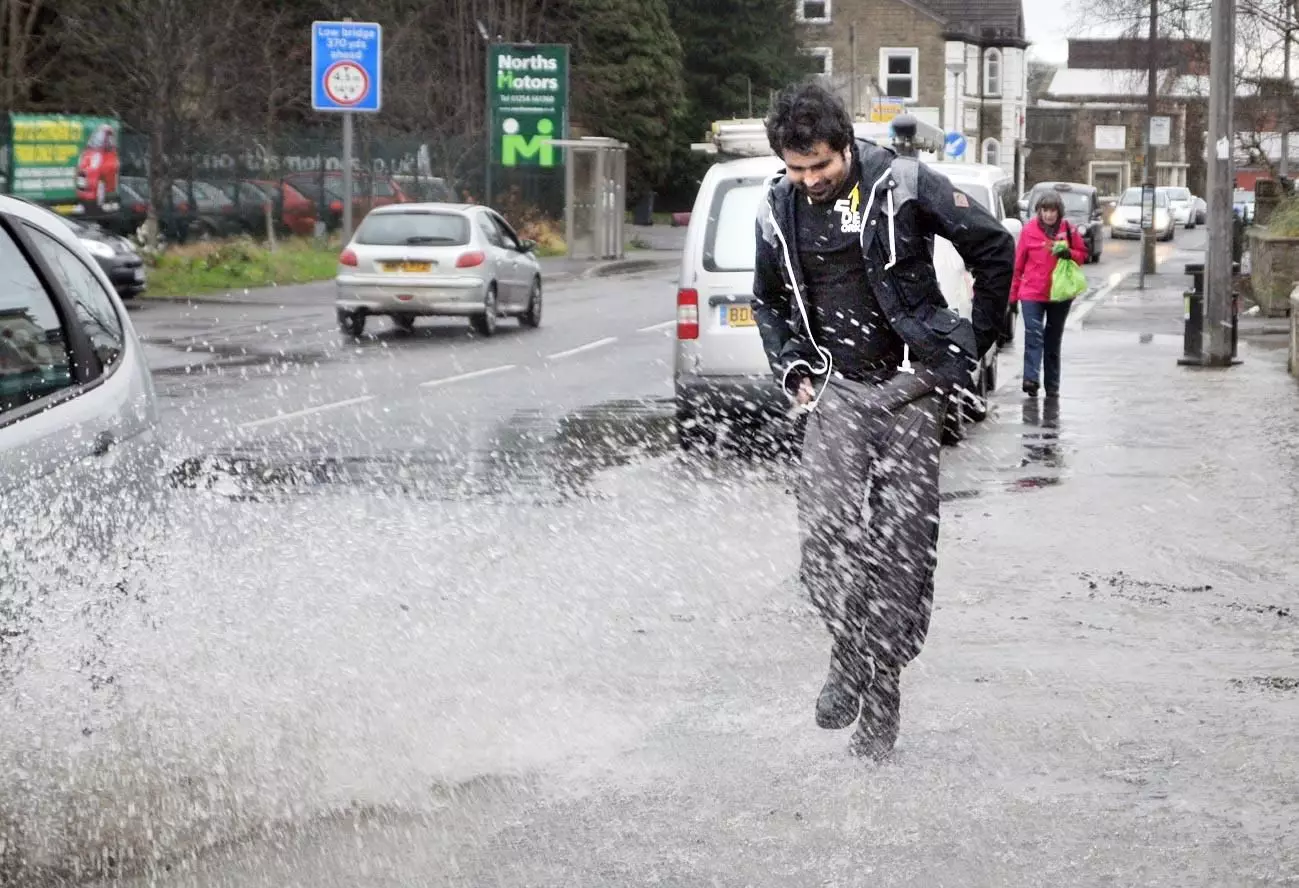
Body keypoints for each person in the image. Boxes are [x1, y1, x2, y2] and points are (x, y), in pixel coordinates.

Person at [751, 82, 1014, 760]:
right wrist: (794, 368)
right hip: (835, 391)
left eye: (821, 167)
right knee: (825, 542)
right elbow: (768, 302)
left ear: (845, 145)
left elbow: (991, 247)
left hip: (908, 385)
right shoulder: (777, 208)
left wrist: (967, 346)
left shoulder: (900, 182)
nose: (809, 181)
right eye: (796, 168)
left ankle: (881, 697)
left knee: (901, 551)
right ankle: (849, 653)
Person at [1010, 191, 1088, 397]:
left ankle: (1052, 384)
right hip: (1032, 293)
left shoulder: (1068, 230)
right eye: (1045, 210)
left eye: (1053, 210)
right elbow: (1018, 266)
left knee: (1052, 339)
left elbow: (1082, 256)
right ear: (1039, 211)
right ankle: (1031, 379)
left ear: (1059, 211)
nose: (1049, 215)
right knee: (1033, 336)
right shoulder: (1029, 231)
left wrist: (1068, 253)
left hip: (1059, 294)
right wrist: (1012, 298)